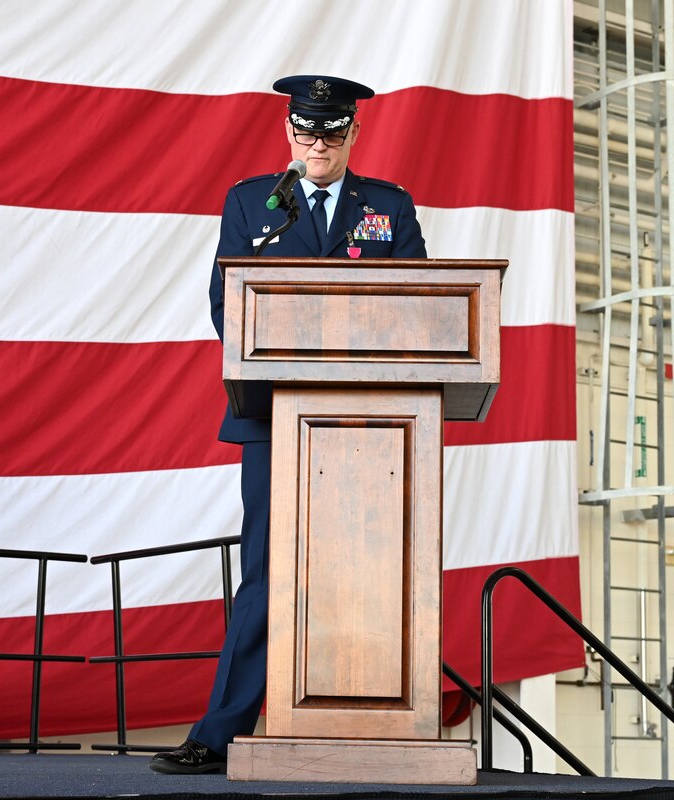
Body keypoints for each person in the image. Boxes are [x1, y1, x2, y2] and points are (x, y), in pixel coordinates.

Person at [149, 75, 427, 775]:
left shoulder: (387, 208)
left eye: (331, 134)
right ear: (288, 134)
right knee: (268, 576)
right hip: (275, 416)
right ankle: (218, 734)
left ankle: (371, 730)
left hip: (369, 426)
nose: (317, 145)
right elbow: (227, 305)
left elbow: (421, 307)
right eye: (306, 133)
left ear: (353, 136)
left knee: (369, 574)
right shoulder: (252, 202)